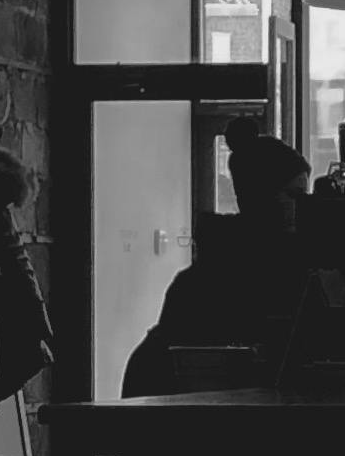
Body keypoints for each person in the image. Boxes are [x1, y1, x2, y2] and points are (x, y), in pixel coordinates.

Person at [122, 126, 313, 394]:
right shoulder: (285, 276)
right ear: (263, 196)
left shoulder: (197, 277)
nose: (302, 206)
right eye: (293, 194)